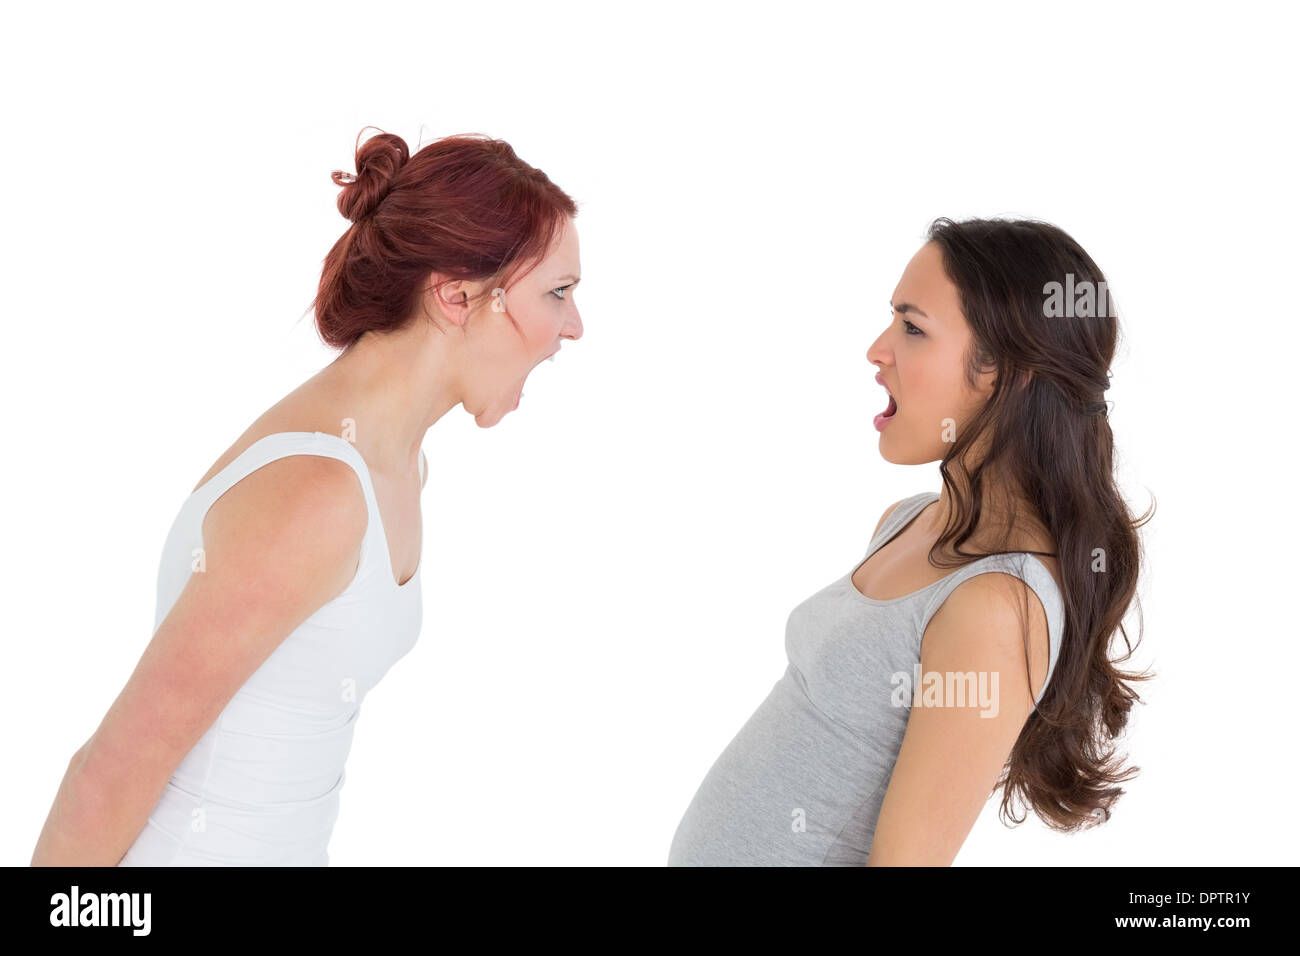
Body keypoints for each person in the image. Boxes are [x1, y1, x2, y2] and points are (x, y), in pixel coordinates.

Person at [31, 128, 582, 866]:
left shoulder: (398, 464)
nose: (571, 327)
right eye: (557, 293)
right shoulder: (318, 492)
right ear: (456, 295)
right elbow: (108, 775)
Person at [667, 217, 1152, 866]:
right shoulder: (906, 521)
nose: (877, 349)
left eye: (913, 327)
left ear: (1007, 375)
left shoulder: (998, 607)